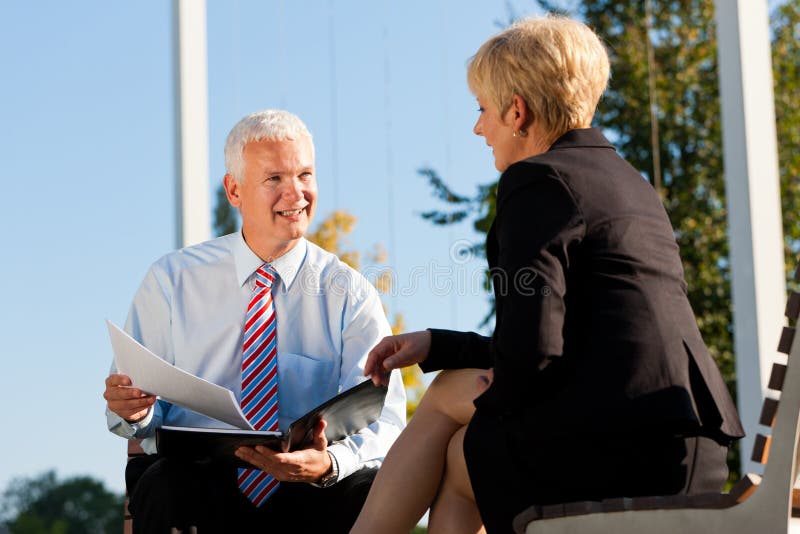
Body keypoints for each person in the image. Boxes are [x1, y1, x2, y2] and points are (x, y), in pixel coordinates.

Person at [351, 15, 744, 534]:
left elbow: (533, 349)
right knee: (461, 451)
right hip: (684, 445)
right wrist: (437, 342)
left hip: (624, 450)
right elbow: (564, 340)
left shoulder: (539, 182)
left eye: (482, 110)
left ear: (518, 111)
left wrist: (490, 390)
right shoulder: (626, 182)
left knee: (451, 404)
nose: (478, 128)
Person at [103, 109, 406, 533]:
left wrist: (330, 463)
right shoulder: (171, 280)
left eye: (305, 174)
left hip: (310, 481)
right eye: (275, 179)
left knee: (370, 489)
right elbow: (130, 417)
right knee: (165, 486)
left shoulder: (349, 291)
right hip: (197, 477)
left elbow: (387, 419)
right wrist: (133, 410)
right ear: (234, 190)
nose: (296, 193)